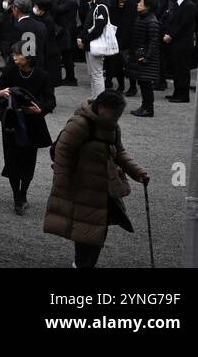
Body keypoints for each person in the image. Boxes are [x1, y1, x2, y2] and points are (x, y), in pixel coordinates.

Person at [44, 91, 150, 269]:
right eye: (114, 114)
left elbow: (119, 151)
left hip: (104, 187)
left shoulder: (112, 126)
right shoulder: (80, 124)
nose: (117, 118)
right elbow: (62, 154)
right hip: (83, 187)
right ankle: (82, 264)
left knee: (96, 228)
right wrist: (62, 183)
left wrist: (137, 172)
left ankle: (83, 264)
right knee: (87, 231)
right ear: (101, 108)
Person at [0, 51, 54, 214]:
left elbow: (51, 100)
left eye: (18, 54)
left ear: (29, 58)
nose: (14, 57)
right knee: (12, 158)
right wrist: (1, 93)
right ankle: (16, 196)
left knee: (28, 159)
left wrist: (41, 110)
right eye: (13, 54)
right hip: (12, 120)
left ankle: (23, 193)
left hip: (32, 121)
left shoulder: (42, 75)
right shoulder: (10, 72)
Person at [76, 0, 113, 98]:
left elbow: (98, 29)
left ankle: (99, 100)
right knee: (93, 74)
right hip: (90, 44)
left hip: (95, 44)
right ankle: (94, 98)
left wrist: (84, 39)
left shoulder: (101, 7)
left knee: (96, 74)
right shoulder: (94, 5)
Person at [128, 0, 161, 117]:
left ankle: (148, 108)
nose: (138, 4)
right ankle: (145, 106)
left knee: (146, 84)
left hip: (146, 58)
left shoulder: (151, 21)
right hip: (140, 55)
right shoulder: (142, 18)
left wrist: (146, 56)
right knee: (142, 83)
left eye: (141, 2)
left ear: (147, 6)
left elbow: (153, 41)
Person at [164, 0, 197, 103]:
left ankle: (183, 95)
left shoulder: (189, 5)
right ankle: (177, 92)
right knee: (177, 69)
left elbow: (183, 25)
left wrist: (170, 35)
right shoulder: (179, 4)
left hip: (183, 43)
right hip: (177, 41)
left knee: (182, 69)